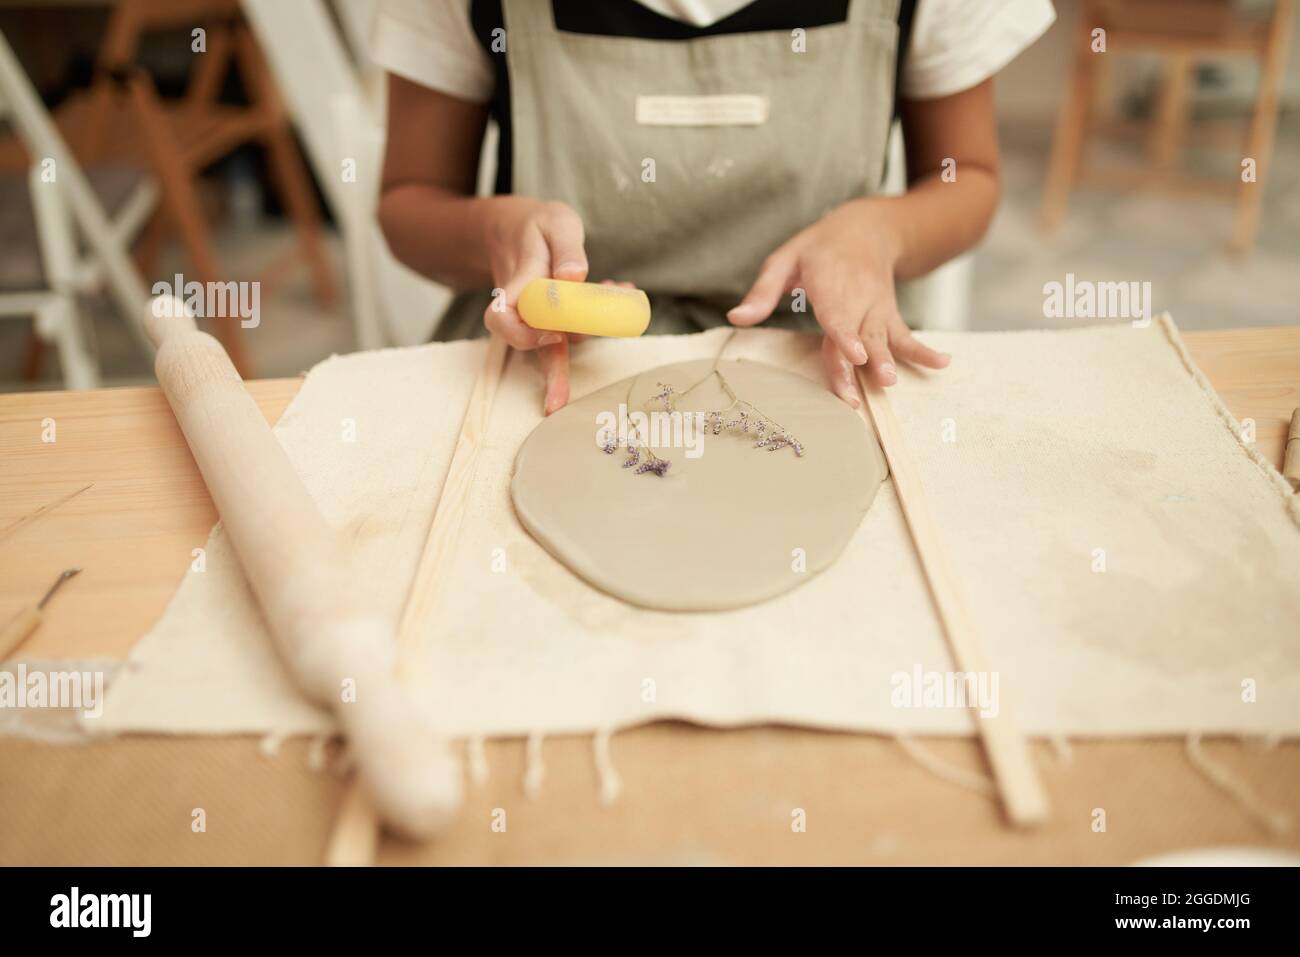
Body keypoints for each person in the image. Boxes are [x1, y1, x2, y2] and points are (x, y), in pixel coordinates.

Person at [372, 0, 1055, 413]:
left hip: (817, 354)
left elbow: (967, 174)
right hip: (548, 366)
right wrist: (497, 230)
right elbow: (409, 201)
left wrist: (879, 231)